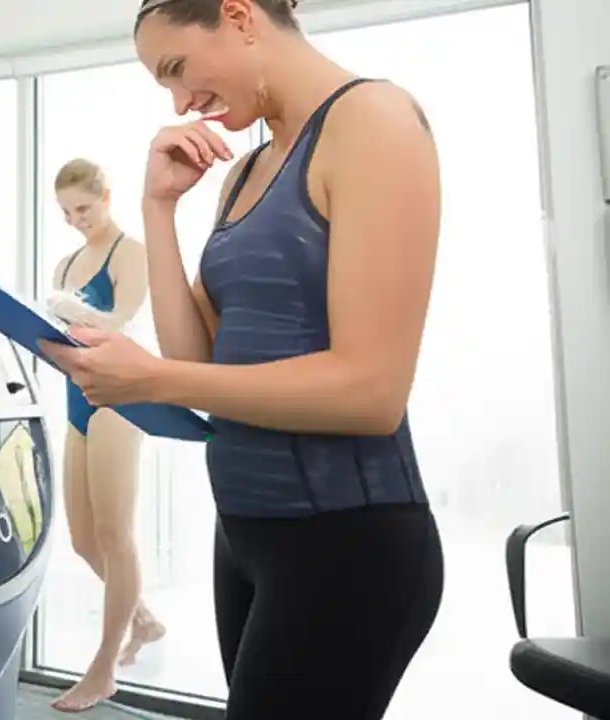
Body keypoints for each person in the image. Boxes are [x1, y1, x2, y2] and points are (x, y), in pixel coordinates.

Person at [41, 1, 445, 718]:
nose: (179, 101)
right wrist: (157, 209)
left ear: (238, 15)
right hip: (248, 533)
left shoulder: (373, 120)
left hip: (348, 541)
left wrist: (152, 378)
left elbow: (371, 392)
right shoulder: (249, 167)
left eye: (176, 69)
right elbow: (200, 358)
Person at [45, 159, 166, 713]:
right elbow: (62, 341)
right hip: (78, 396)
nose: (76, 221)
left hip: (120, 397)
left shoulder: (131, 253)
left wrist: (73, 311)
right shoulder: (65, 263)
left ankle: (103, 670)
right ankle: (142, 619)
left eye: (84, 209)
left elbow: (120, 323)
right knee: (82, 539)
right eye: (67, 212)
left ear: (106, 198)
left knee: (116, 534)